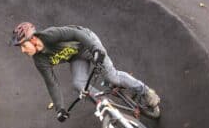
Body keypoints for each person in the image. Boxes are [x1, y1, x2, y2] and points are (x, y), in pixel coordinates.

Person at [11, 21, 160, 122]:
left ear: (33, 39)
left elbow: (76, 34)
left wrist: (95, 49)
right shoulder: (39, 60)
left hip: (88, 43)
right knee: (78, 84)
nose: (23, 50)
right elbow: (51, 83)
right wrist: (60, 109)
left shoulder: (51, 35)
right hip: (77, 57)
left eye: (23, 45)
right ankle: (108, 108)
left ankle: (145, 91)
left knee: (112, 77)